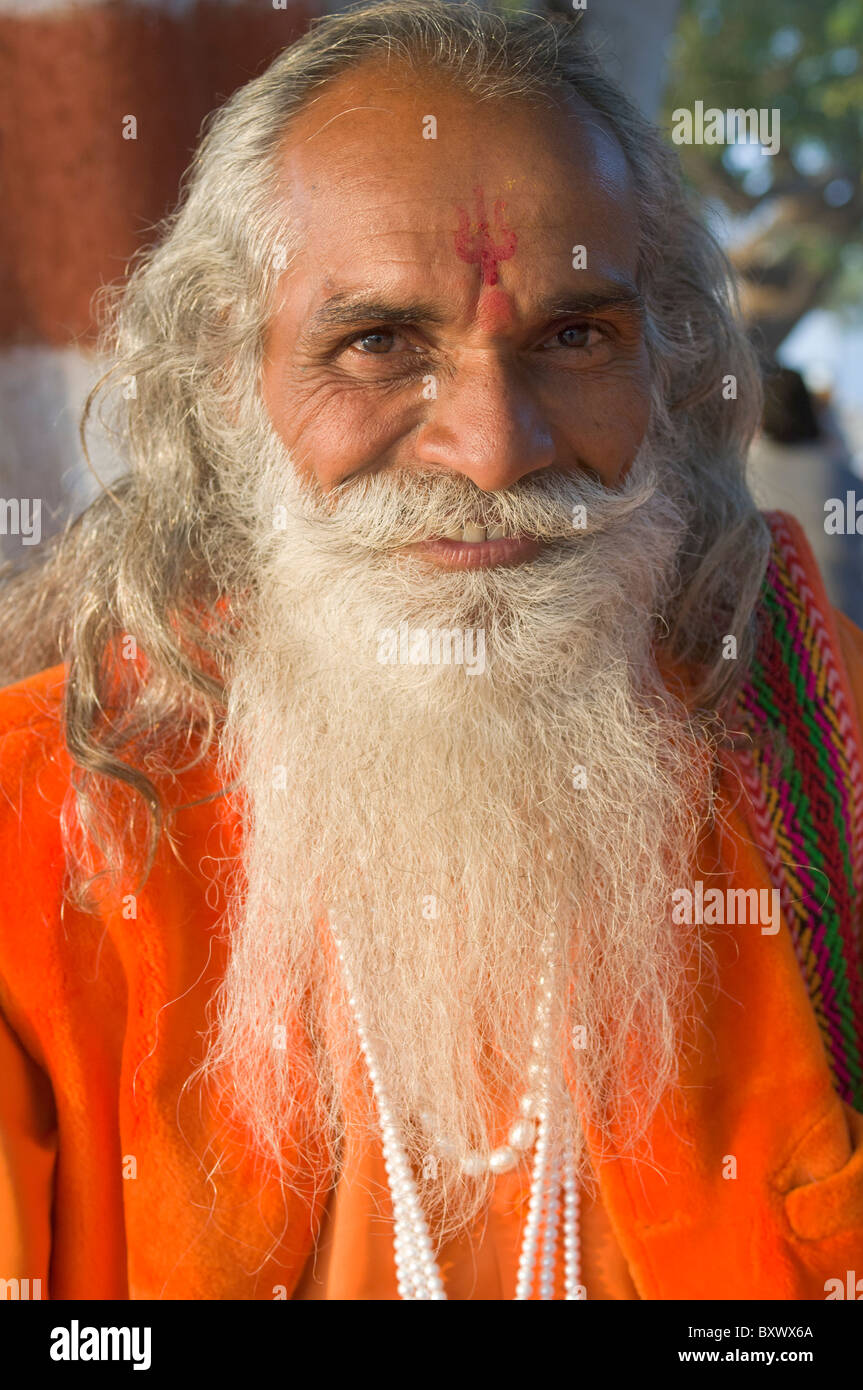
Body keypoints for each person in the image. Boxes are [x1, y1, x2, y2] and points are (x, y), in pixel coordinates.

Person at [0, 0, 861, 1301]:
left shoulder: (830, 771)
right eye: (379, 343)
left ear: (670, 376)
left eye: (575, 337)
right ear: (229, 391)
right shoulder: (36, 838)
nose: (493, 447)